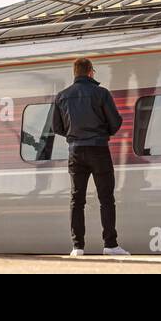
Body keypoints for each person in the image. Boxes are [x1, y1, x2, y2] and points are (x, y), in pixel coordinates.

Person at [51, 57, 129, 257]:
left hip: (75, 151)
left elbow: (57, 127)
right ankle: (110, 245)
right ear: (90, 72)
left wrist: (74, 134)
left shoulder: (62, 96)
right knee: (106, 198)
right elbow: (115, 122)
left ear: (75, 73)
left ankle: (77, 247)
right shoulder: (101, 93)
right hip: (98, 149)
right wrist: (103, 132)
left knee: (77, 199)